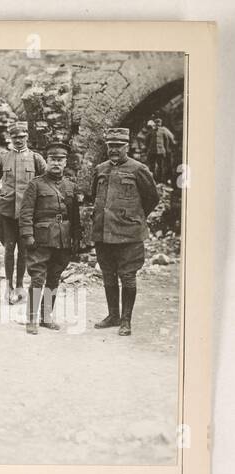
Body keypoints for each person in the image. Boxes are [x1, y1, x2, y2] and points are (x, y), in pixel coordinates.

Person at [91, 126, 160, 336]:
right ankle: (113, 315)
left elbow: (152, 198)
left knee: (128, 277)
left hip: (129, 234)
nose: (114, 150)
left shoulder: (138, 169)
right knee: (108, 276)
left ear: (127, 146)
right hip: (104, 232)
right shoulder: (100, 169)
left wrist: (134, 216)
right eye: (111, 146)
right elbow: (95, 195)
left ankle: (126, 321)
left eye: (118, 146)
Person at [18, 140, 81, 335]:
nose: (56, 163)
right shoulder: (35, 184)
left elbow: (75, 216)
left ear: (65, 162)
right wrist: (27, 235)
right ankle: (31, 319)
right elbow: (26, 212)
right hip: (41, 238)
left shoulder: (70, 186)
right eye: (53, 159)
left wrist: (77, 239)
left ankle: (46, 317)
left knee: (54, 278)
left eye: (60, 159)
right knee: (37, 278)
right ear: (46, 160)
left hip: (63, 240)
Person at [0, 121, 45, 306]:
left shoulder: (36, 158)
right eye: (15, 137)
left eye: (21, 137)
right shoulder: (3, 158)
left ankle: (20, 286)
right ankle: (9, 286)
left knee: (23, 250)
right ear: (10, 139)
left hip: (27, 213)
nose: (18, 140)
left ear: (27, 137)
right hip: (7, 212)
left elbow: (46, 182)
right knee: (8, 249)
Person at [144, 118, 177, 185]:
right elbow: (146, 140)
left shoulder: (163, 131)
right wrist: (148, 148)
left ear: (161, 124)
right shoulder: (151, 131)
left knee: (160, 166)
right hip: (152, 151)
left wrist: (165, 149)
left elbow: (166, 140)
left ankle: (160, 180)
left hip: (161, 151)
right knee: (152, 166)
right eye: (156, 123)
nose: (158, 125)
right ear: (155, 124)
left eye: (159, 123)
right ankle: (152, 179)